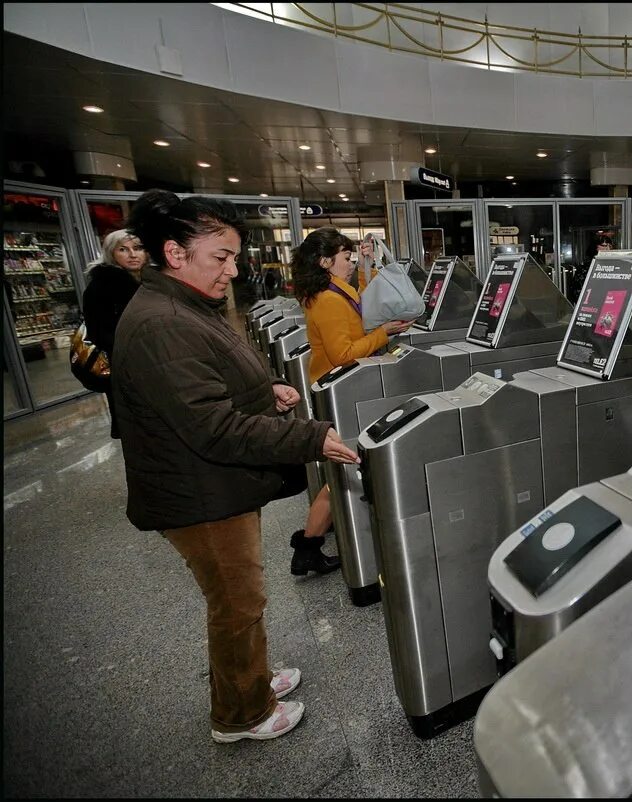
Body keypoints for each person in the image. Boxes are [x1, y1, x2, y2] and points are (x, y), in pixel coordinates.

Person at [115, 189, 361, 743]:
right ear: (175, 253)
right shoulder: (163, 323)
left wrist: (264, 387)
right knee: (237, 602)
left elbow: (207, 385)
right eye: (220, 257)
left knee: (242, 597)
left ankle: (253, 678)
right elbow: (213, 427)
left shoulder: (180, 305)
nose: (233, 268)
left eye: (234, 256)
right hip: (198, 492)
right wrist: (313, 437)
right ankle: (241, 713)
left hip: (209, 483)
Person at [290, 227, 412, 575]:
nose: (350, 262)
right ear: (326, 261)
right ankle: (307, 547)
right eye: (346, 258)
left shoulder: (331, 291)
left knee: (339, 470)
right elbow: (342, 353)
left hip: (341, 390)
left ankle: (310, 545)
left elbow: (357, 300)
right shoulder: (326, 300)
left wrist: (366, 265)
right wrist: (383, 334)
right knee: (339, 473)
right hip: (340, 392)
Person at [81, 229, 145, 438]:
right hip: (126, 368)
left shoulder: (147, 281)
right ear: (111, 253)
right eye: (123, 249)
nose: (133, 254)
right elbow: (98, 334)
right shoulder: (100, 287)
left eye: (138, 248)